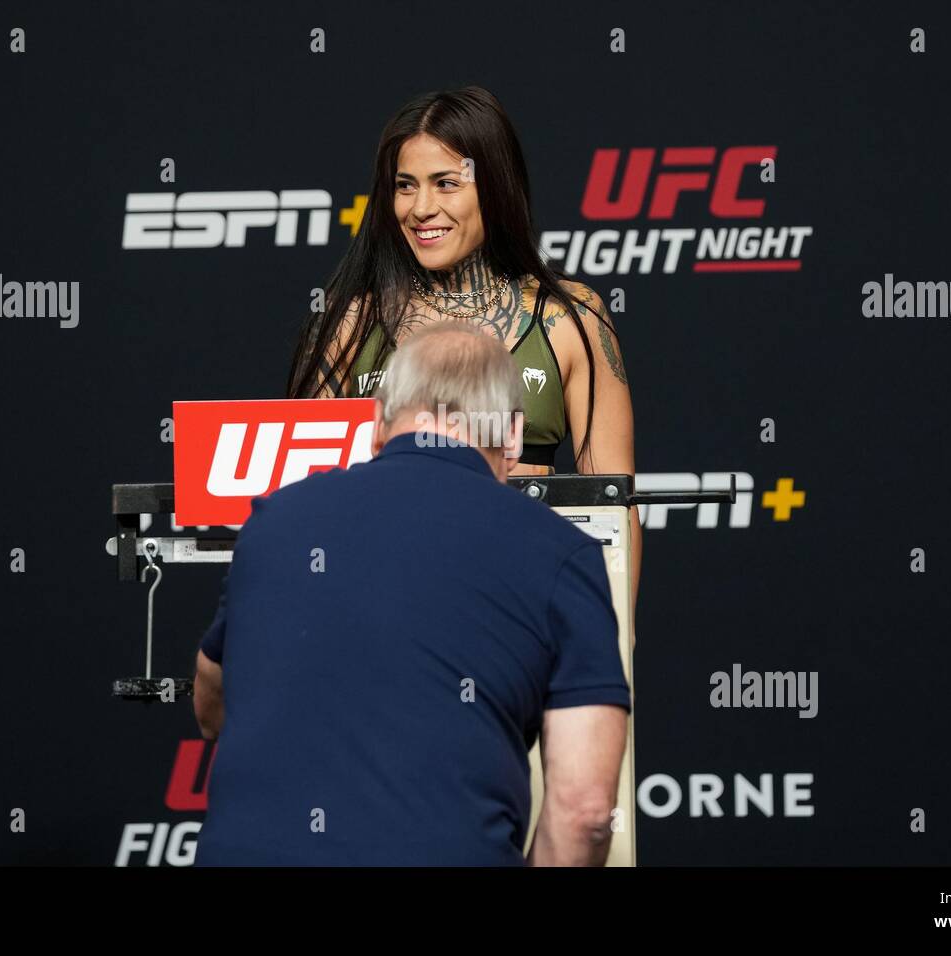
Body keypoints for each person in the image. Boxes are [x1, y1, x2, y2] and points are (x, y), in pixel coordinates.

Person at [193, 323, 630, 866]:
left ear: (378, 427)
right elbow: (585, 812)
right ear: (513, 436)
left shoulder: (274, 519)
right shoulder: (562, 555)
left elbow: (210, 698)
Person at [284, 85, 642, 619]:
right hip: (383, 606)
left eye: (445, 184)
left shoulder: (570, 317)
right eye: (405, 186)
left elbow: (615, 508)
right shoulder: (349, 322)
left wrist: (617, 650)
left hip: (521, 604)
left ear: (493, 188)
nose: (420, 208)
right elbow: (302, 504)